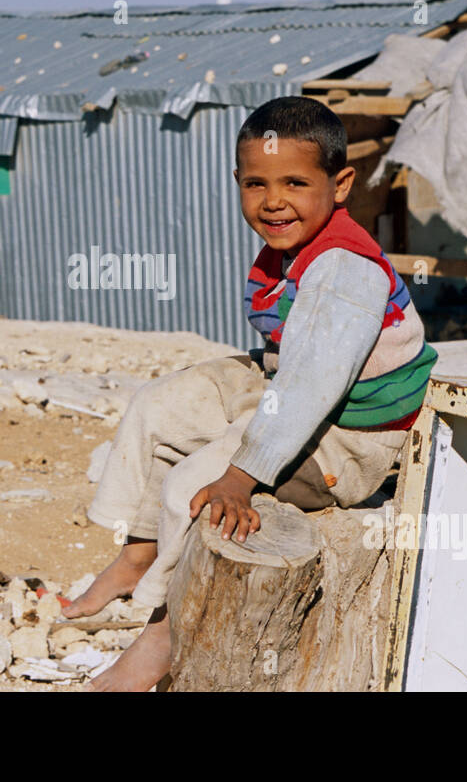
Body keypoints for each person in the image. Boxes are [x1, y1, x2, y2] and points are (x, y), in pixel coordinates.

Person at [66, 96, 437, 690]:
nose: (273, 200)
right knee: (156, 407)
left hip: (349, 440)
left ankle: (160, 632)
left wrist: (241, 474)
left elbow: (312, 389)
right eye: (255, 183)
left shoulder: (345, 271)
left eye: (295, 181)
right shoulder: (291, 248)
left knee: (193, 487)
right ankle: (136, 554)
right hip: (286, 387)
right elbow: (293, 368)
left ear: (341, 184)